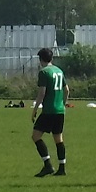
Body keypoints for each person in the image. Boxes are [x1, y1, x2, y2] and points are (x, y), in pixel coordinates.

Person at [31, 46, 69, 177]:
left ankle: (48, 165)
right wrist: (62, 104)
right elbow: (67, 90)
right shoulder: (59, 70)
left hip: (48, 111)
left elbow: (42, 93)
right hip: (60, 110)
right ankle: (62, 168)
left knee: (35, 136)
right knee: (58, 139)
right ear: (51, 58)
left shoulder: (44, 72)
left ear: (41, 59)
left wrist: (35, 109)